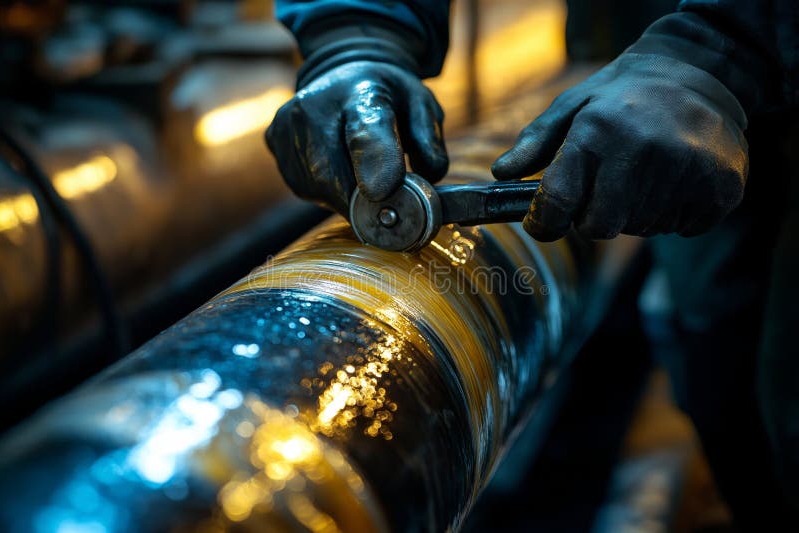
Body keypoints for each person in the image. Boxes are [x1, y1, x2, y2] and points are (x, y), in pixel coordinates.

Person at [265, 0, 799, 529]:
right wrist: (355, 37)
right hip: (663, 77)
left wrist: (718, 48)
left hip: (727, 56)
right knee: (716, 351)